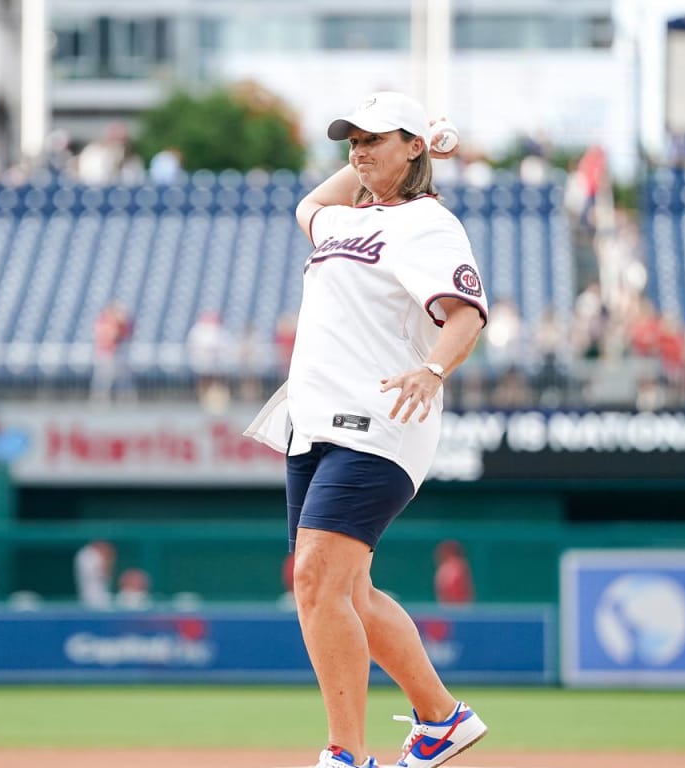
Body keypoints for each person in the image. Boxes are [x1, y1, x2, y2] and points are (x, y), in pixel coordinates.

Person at [243, 91, 488, 768]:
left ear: (413, 146)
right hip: (313, 424)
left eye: (374, 139)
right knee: (348, 591)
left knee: (316, 579)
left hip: (380, 419)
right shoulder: (347, 222)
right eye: (351, 140)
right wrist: (387, 157)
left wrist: (433, 370)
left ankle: (345, 755)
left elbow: (466, 316)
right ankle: (442, 720)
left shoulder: (430, 226)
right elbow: (307, 209)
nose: (357, 150)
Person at [73, 540, 116, 609]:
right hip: (90, 600)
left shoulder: (97, 554)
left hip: (103, 599)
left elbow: (106, 574)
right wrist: (106, 555)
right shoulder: (86, 555)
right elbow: (101, 572)